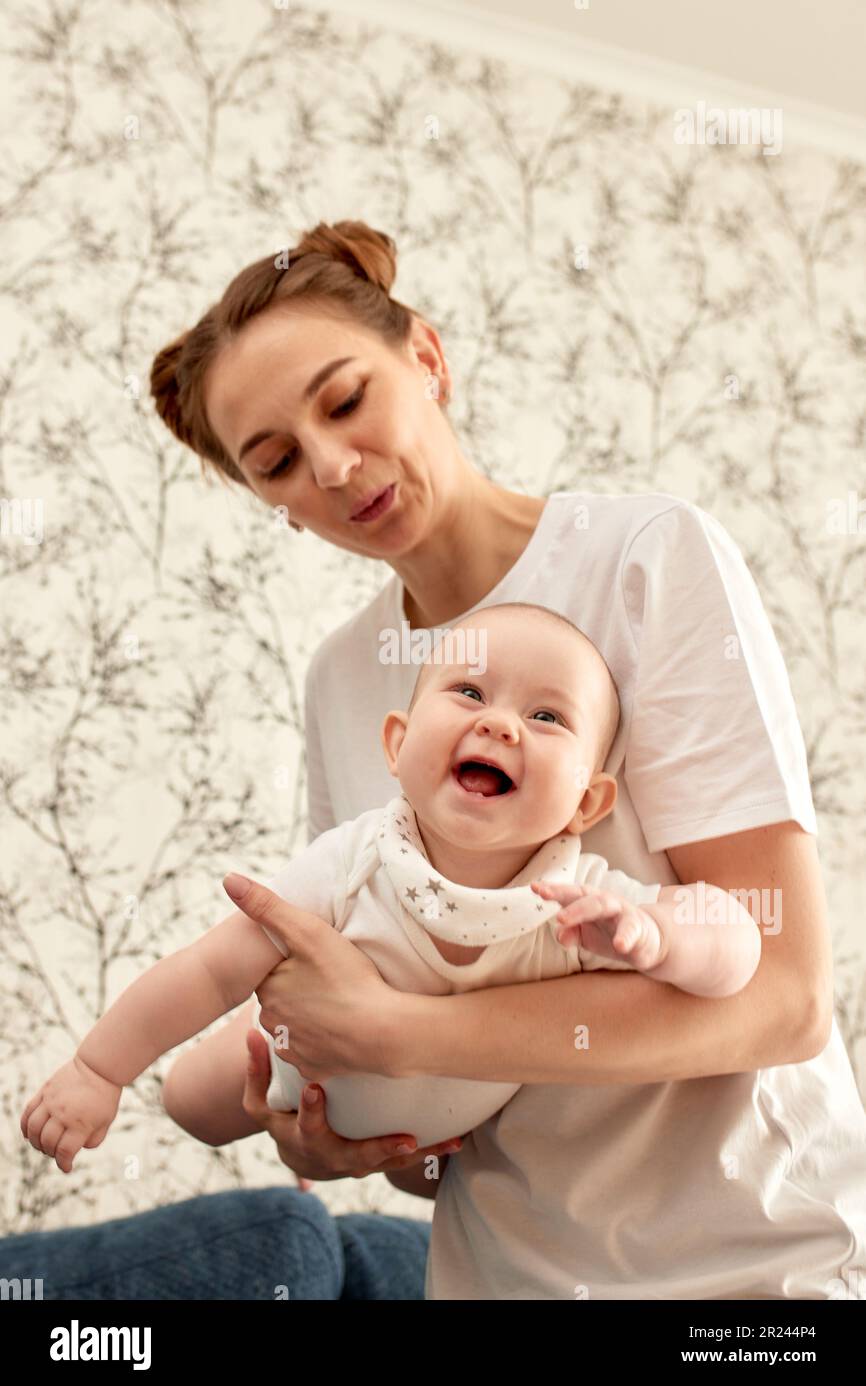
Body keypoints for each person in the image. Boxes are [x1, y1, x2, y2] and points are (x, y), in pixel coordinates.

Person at [4, 218, 864, 1301]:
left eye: (345, 399)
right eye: (274, 462)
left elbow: (779, 1001)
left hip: (748, 1259)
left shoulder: (644, 559)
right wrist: (336, 1133)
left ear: (425, 356)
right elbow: (430, 1104)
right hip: (502, 1276)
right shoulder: (344, 681)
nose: (328, 463)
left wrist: (396, 1030)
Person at [20, 605, 763, 1181]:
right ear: (397, 744)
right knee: (191, 1102)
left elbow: (735, 952)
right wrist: (98, 1070)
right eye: (469, 691)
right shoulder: (352, 863)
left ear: (588, 804)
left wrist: (658, 938)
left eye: (546, 717)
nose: (499, 722)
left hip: (417, 1125)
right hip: (298, 1060)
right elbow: (208, 967)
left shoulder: (581, 906)